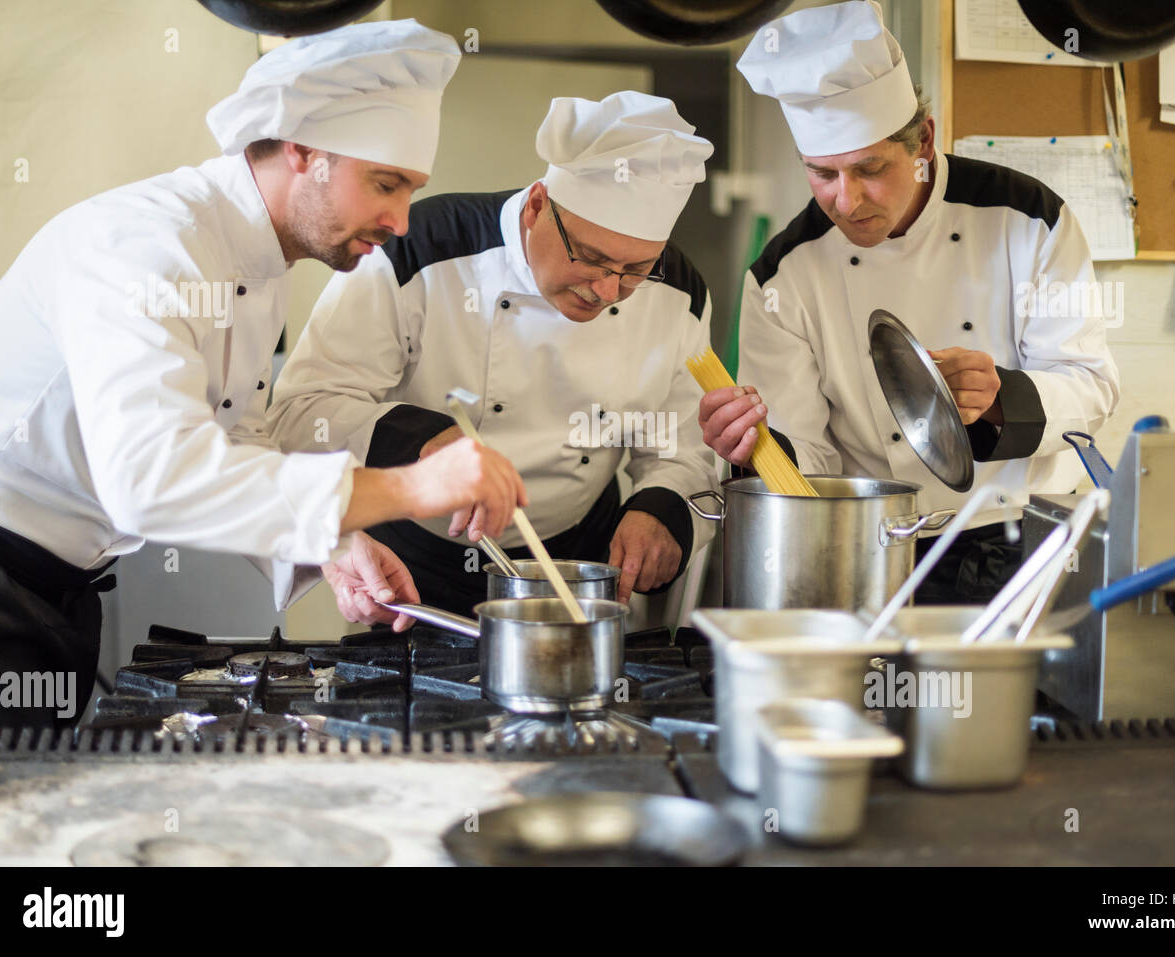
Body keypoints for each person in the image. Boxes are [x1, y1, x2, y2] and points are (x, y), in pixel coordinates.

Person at [0, 20, 526, 729]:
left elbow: (236, 437)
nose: (400, 219)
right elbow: (153, 476)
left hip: (61, 593)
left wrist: (330, 544)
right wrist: (410, 487)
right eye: (385, 184)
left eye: (410, 190)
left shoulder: (260, 264)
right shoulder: (144, 246)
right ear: (301, 148)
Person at [701, 1, 1120, 602]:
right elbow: (806, 457)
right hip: (873, 554)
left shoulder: (1027, 220)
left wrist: (1004, 398)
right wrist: (754, 447)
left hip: (1026, 543)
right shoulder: (782, 276)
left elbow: (1091, 386)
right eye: (822, 173)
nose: (846, 201)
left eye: (870, 169)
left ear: (923, 139)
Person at [268, 91, 718, 614]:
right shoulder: (418, 249)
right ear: (536, 206)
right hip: (410, 567)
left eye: (635, 271)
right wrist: (424, 442)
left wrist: (660, 507)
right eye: (591, 259)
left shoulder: (679, 290)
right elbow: (304, 411)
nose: (608, 290)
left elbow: (679, 445)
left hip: (576, 569)